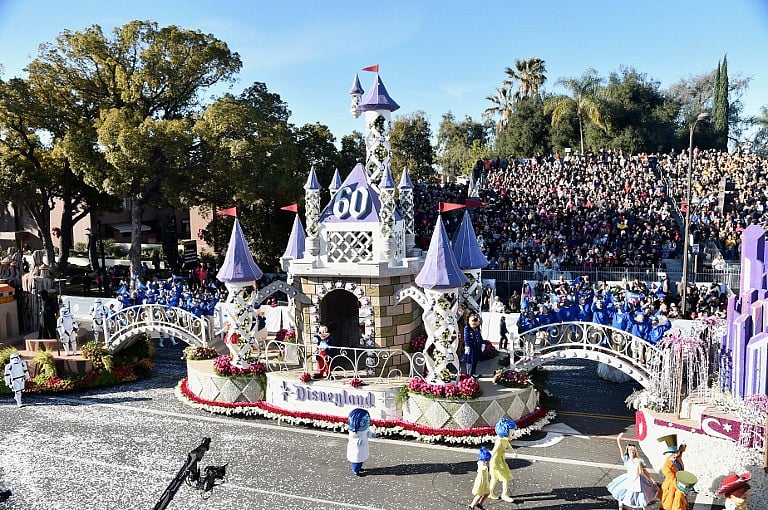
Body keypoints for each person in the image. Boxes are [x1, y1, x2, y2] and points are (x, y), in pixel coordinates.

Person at [607, 432, 659, 509]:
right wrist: (618, 439)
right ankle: (620, 508)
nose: (632, 453)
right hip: (628, 478)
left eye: (633, 452)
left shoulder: (639, 460)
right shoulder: (626, 459)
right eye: (631, 452)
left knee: (642, 495)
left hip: (638, 480)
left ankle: (643, 507)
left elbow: (645, 471)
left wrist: (652, 480)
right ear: (628, 452)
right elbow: (620, 449)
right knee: (622, 494)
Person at [488, 418, 517, 502]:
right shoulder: (499, 441)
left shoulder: (504, 440)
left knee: (495, 477)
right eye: (512, 433)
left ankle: (490, 493)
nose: (513, 434)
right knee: (505, 477)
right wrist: (487, 459)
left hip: (500, 460)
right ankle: (504, 494)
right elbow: (494, 451)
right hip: (496, 461)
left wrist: (513, 452)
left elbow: (509, 446)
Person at [658, 434, 686, 509]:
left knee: (678, 502)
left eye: (677, 452)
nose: (676, 454)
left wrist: (683, 444)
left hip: (678, 483)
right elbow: (673, 478)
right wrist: (681, 488)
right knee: (669, 504)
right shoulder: (666, 466)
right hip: (671, 486)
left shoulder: (677, 458)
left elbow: (681, 451)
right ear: (669, 453)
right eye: (673, 453)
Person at [347, 408, 376, 476]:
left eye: (368, 420)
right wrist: (357, 442)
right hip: (356, 449)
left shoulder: (364, 430)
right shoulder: (354, 432)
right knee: (356, 460)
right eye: (364, 422)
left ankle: (359, 467)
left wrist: (372, 435)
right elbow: (352, 439)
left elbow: (367, 433)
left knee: (361, 458)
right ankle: (355, 470)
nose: (367, 423)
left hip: (363, 447)